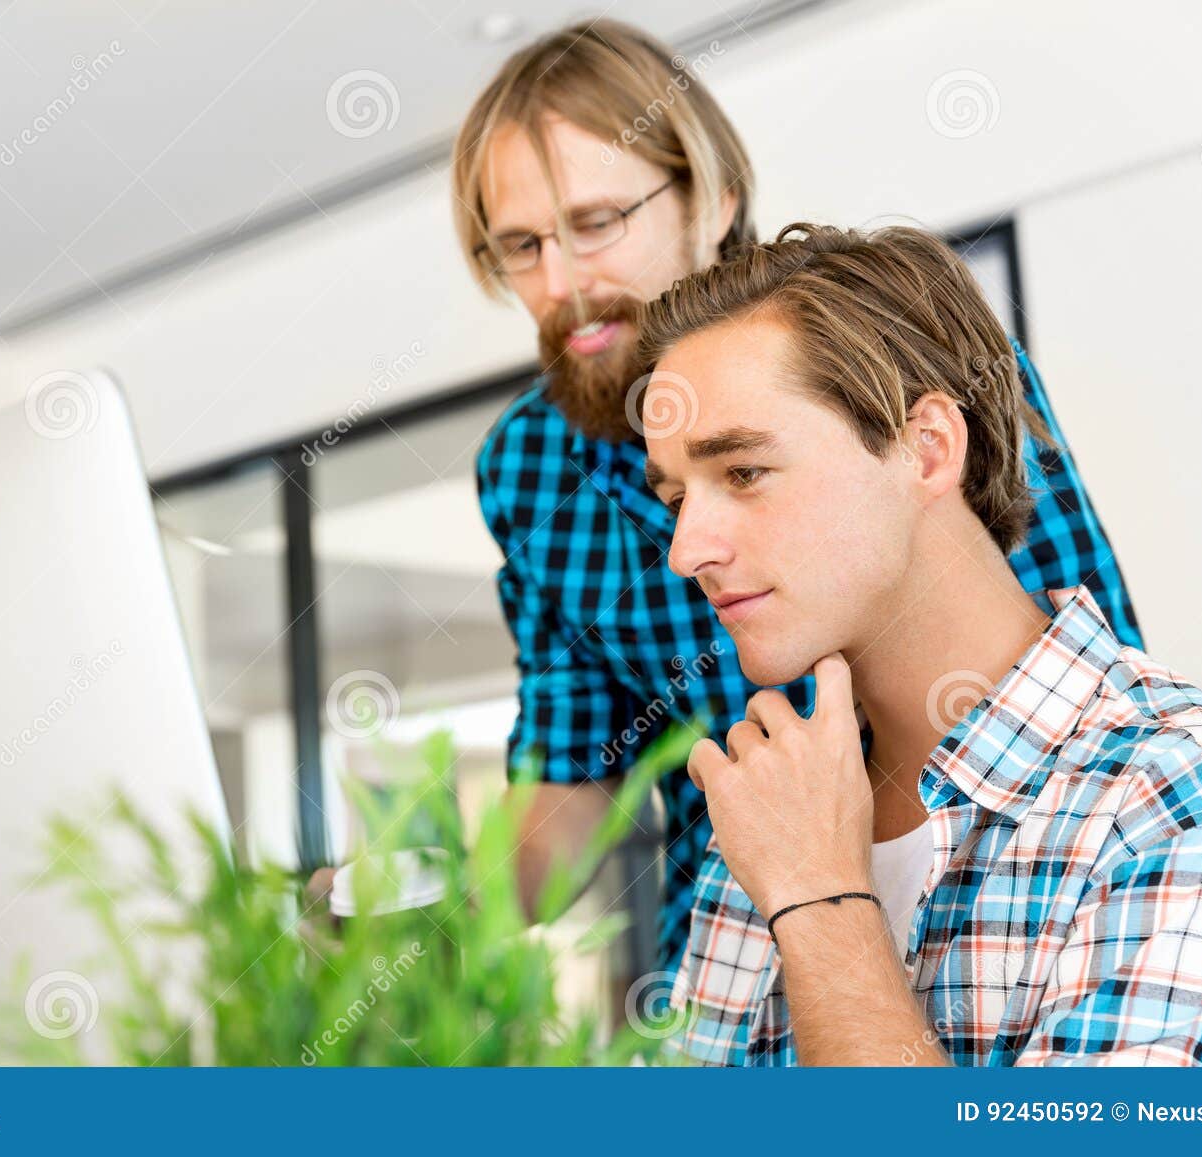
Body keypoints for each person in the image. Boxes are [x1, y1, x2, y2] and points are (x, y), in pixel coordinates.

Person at [453, 19, 1141, 975]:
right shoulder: (529, 466)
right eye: (521, 246)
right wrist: (422, 919)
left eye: (597, 223)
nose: (562, 282)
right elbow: (573, 767)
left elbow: (1075, 675)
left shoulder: (887, 359)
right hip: (730, 940)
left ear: (713, 199)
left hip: (983, 914)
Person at [637, 222, 1202, 1066]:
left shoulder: (1189, 795)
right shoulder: (767, 818)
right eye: (677, 499)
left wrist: (819, 901)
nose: (687, 550)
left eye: (743, 472)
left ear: (927, 449)